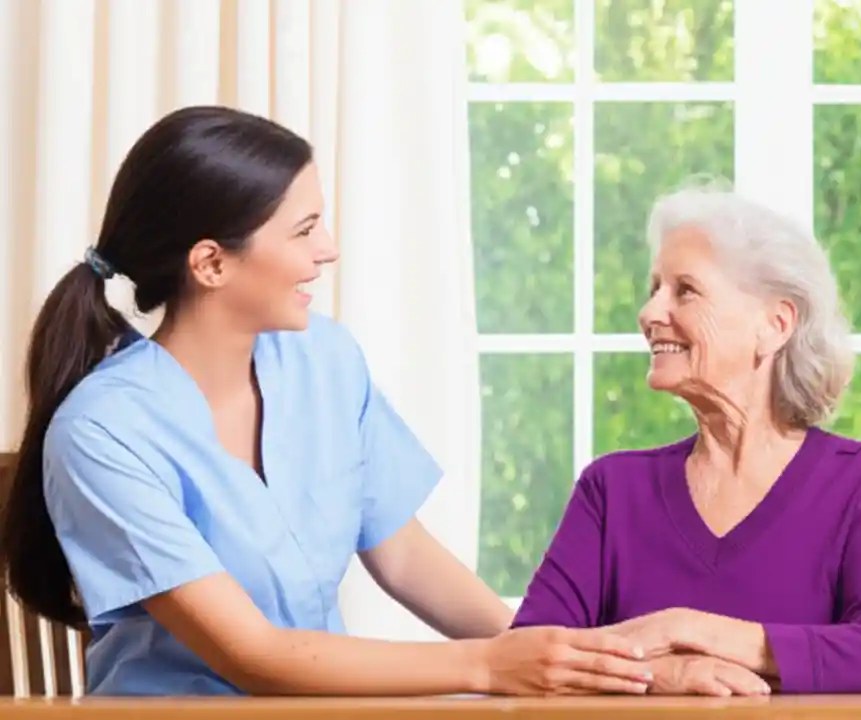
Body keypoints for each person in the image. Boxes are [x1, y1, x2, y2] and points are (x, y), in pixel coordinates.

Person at [0, 105, 653, 697]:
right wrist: (489, 665)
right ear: (210, 264)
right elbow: (253, 656)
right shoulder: (103, 431)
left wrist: (568, 658)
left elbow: (402, 556)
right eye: (304, 229)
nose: (328, 250)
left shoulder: (324, 361)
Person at [511, 183, 861, 696]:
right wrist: (665, 674)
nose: (648, 314)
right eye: (653, 290)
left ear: (774, 326)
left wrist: (684, 629)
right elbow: (531, 655)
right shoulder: (612, 489)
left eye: (684, 290)